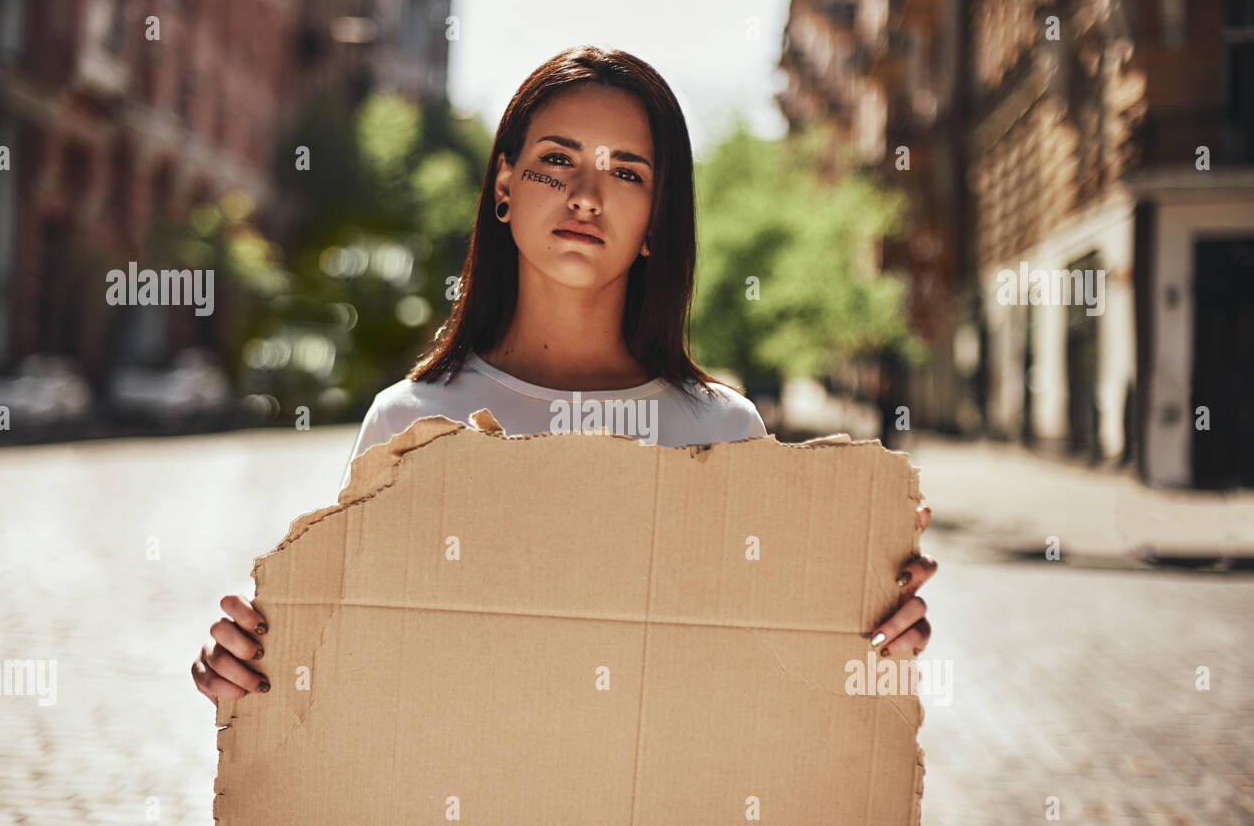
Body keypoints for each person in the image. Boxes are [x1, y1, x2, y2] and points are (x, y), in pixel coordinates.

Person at [191, 45, 936, 705]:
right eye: (557, 160)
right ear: (505, 187)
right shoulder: (409, 422)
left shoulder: (724, 431)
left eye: (627, 171)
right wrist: (256, 671)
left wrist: (872, 645)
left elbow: (768, 684)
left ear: (655, 219)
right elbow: (356, 670)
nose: (586, 194)